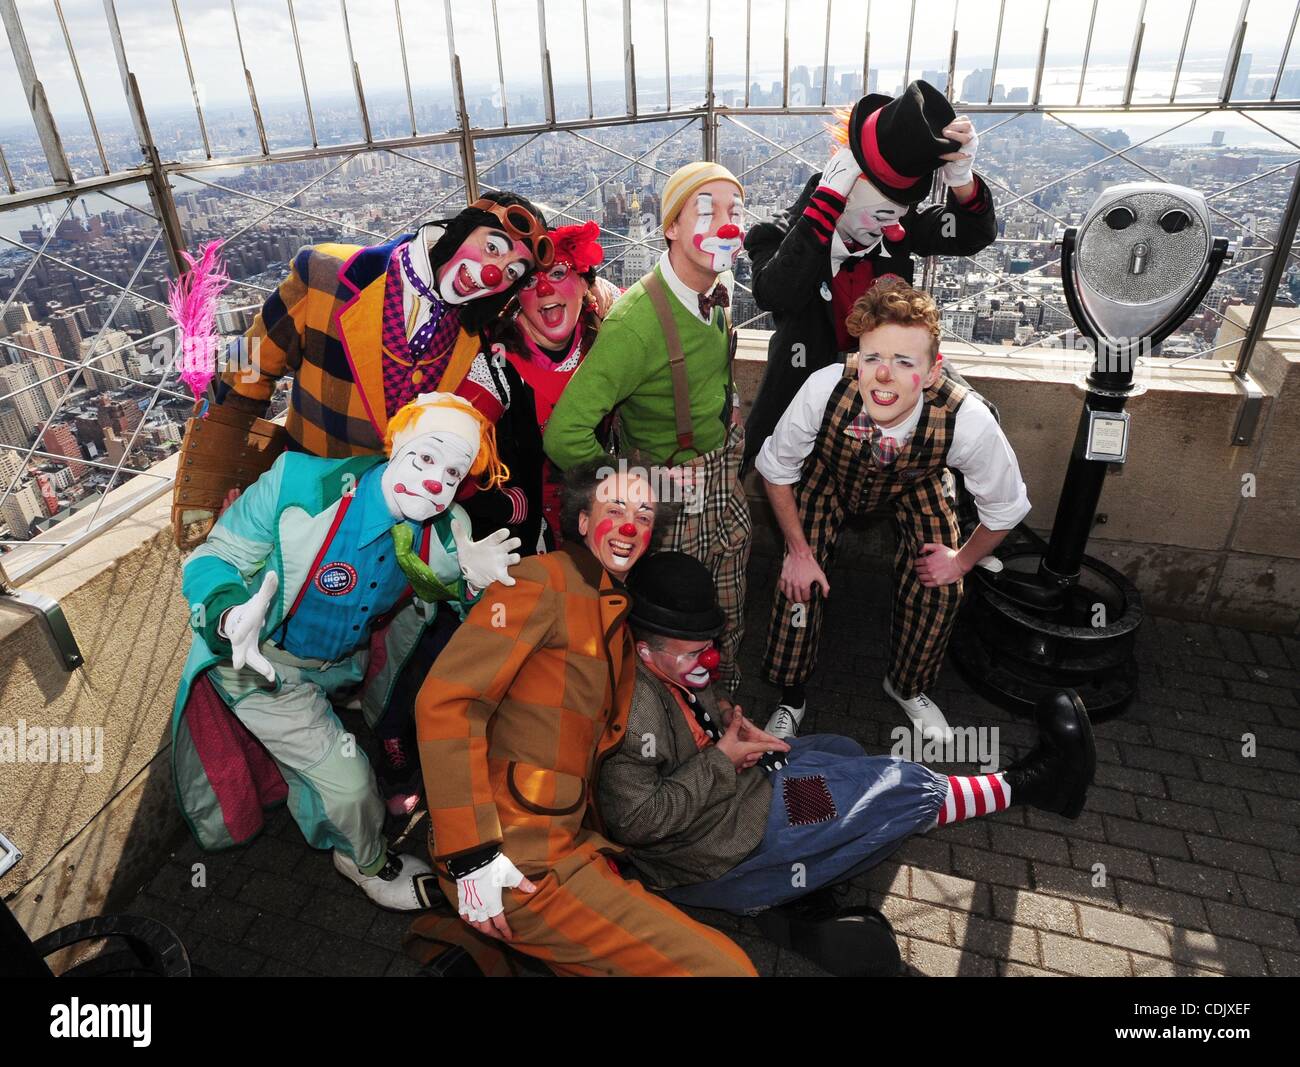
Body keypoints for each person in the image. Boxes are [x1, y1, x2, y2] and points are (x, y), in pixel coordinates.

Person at [189, 192, 552, 811]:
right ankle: (310, 768)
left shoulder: (471, 335)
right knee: (280, 626)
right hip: (309, 511)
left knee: (376, 635)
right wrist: (215, 483)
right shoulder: (326, 275)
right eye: (492, 249)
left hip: (394, 520)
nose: (495, 272)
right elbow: (244, 371)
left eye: (513, 270)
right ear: (457, 230)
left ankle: (372, 736)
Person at [596, 551, 1096, 975]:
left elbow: (697, 701)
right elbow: (638, 821)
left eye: (709, 646)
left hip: (732, 798)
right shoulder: (633, 711)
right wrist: (722, 760)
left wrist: (727, 718)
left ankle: (800, 881)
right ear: (645, 648)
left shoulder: (661, 665)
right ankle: (1030, 784)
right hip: (719, 842)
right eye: (694, 652)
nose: (708, 659)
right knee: (892, 788)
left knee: (842, 751)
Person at [406, 459, 756, 976]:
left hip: (570, 846)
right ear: (584, 522)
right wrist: (471, 854)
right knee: (726, 971)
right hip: (515, 859)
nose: (631, 524)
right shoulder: (539, 582)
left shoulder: (609, 607)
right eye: (615, 508)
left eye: (644, 513)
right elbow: (448, 702)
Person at [170, 393, 520, 909]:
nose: (434, 483)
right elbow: (214, 555)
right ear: (396, 444)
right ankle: (366, 862)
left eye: (451, 473)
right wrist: (226, 615)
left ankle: (329, 803)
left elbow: (460, 608)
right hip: (262, 665)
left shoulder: (453, 534)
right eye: (425, 458)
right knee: (350, 783)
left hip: (345, 669)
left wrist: (476, 588)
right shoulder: (297, 483)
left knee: (331, 763)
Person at [756, 279, 1030, 741]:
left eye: (905, 362)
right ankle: (791, 693)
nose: (884, 375)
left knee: (941, 587)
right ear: (858, 357)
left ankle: (907, 685)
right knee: (796, 583)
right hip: (830, 479)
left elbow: (1004, 507)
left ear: (933, 369)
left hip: (914, 482)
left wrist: (960, 560)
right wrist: (798, 551)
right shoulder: (824, 388)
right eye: (873, 357)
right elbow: (777, 469)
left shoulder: (966, 419)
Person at [544, 162, 751, 703]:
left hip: (722, 486)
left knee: (724, 613)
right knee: (672, 636)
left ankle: (720, 714)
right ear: (671, 228)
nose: (727, 224)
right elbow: (565, 435)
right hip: (675, 508)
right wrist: (636, 491)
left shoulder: (714, 288)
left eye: (734, 211)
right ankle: (670, 733)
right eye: (706, 211)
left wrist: (728, 411)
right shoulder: (636, 324)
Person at [743, 80, 997, 478]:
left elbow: (970, 234)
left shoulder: (899, 227)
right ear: (845, 193)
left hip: (891, 373)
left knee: (977, 419)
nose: (890, 228)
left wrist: (962, 180)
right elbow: (775, 292)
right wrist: (824, 206)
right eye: (880, 215)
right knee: (789, 460)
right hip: (813, 384)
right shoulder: (775, 235)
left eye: (897, 215)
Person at [471, 220, 612, 553]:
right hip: (523, 530)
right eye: (530, 280)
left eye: (560, 274)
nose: (545, 289)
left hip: (592, 509)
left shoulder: (609, 340)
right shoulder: (492, 363)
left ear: (584, 284)